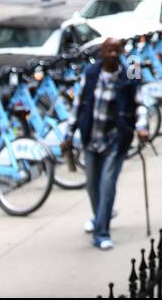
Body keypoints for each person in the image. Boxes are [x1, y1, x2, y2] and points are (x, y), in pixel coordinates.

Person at [62, 38, 149, 250]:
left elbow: (140, 103)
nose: (112, 54)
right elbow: (78, 104)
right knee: (92, 184)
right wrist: (68, 134)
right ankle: (101, 215)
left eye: (116, 51)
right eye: (109, 50)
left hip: (116, 139)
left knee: (107, 184)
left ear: (120, 53)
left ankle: (102, 232)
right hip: (91, 138)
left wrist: (141, 126)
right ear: (102, 52)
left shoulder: (130, 73)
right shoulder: (91, 72)